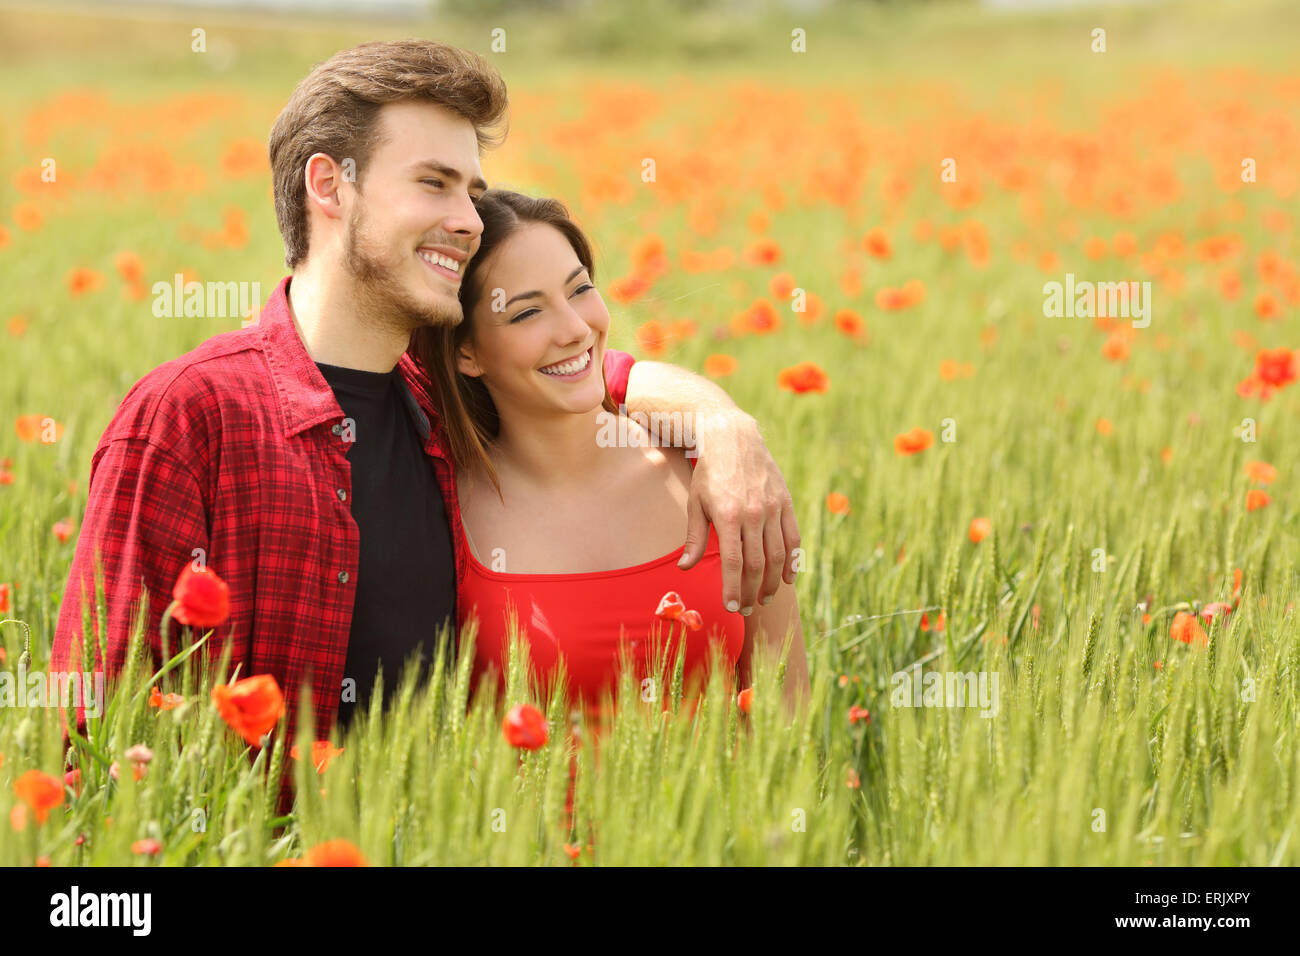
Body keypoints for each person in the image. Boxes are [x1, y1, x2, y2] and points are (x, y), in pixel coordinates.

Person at [50, 39, 801, 812]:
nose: (469, 220)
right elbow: (93, 728)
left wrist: (723, 424)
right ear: (328, 185)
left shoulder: (445, 405)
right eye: (434, 185)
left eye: (472, 192)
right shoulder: (193, 415)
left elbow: (590, 373)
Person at [418, 189, 809, 720]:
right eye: (528, 312)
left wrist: (722, 421)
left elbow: (787, 716)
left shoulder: (720, 471)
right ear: (466, 352)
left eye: (579, 289)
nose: (576, 329)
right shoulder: (441, 509)